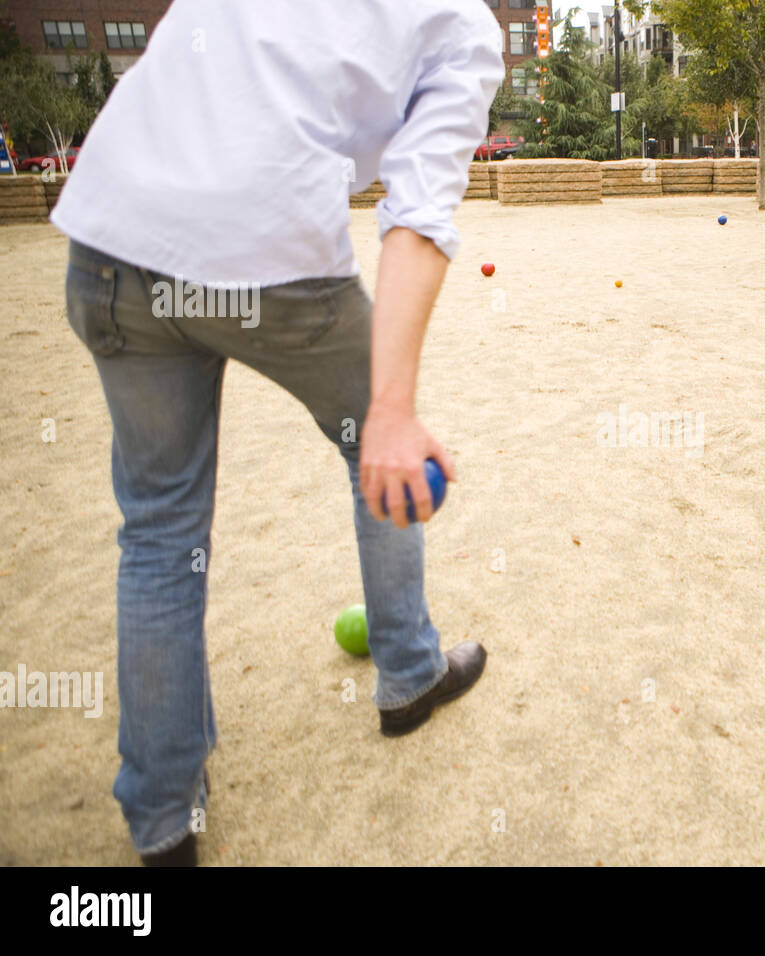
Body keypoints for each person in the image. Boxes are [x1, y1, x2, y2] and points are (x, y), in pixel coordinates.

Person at [52, 1, 504, 865]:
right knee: (372, 443)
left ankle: (162, 822)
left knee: (157, 532)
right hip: (266, 251)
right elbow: (418, 213)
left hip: (111, 235)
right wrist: (392, 411)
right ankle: (408, 672)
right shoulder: (462, 23)